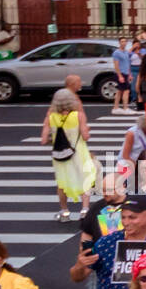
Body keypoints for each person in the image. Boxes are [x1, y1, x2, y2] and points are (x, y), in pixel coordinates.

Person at [41, 88, 98, 221]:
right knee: (85, 179)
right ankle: (84, 210)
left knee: (62, 183)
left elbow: (43, 140)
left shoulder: (51, 116)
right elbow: (85, 136)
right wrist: (86, 129)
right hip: (78, 152)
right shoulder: (78, 115)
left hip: (60, 155)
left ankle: (65, 211)